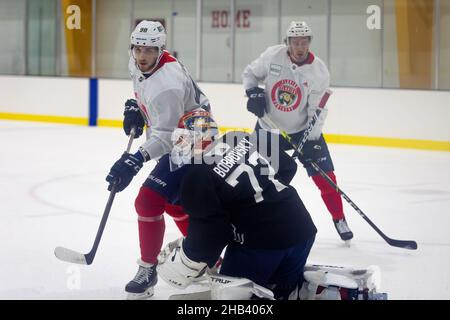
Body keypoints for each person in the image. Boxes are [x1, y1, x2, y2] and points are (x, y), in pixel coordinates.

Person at [156, 109, 317, 300]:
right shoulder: (238, 136)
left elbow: (210, 233)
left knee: (233, 300)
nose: (179, 145)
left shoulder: (196, 176)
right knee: (282, 293)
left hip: (259, 245)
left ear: (199, 138)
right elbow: (288, 165)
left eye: (183, 138)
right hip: (302, 229)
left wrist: (188, 259)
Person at [105, 20, 210, 299]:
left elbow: (167, 136)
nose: (142, 56)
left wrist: (135, 159)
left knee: (148, 199)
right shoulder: (137, 63)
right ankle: (205, 259)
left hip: (194, 135)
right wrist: (137, 108)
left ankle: (147, 269)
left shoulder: (167, 85)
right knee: (173, 202)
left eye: (149, 50)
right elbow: (144, 93)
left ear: (160, 49)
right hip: (177, 128)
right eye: (138, 48)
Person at [241, 21, 353, 242]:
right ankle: (257, 220)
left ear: (309, 43)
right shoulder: (273, 55)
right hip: (269, 127)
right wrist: (253, 92)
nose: (299, 47)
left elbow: (317, 110)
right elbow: (250, 73)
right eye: (295, 42)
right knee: (260, 178)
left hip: (302, 131)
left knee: (326, 177)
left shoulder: (318, 71)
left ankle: (339, 218)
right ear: (287, 42)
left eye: (304, 42)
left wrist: (310, 140)